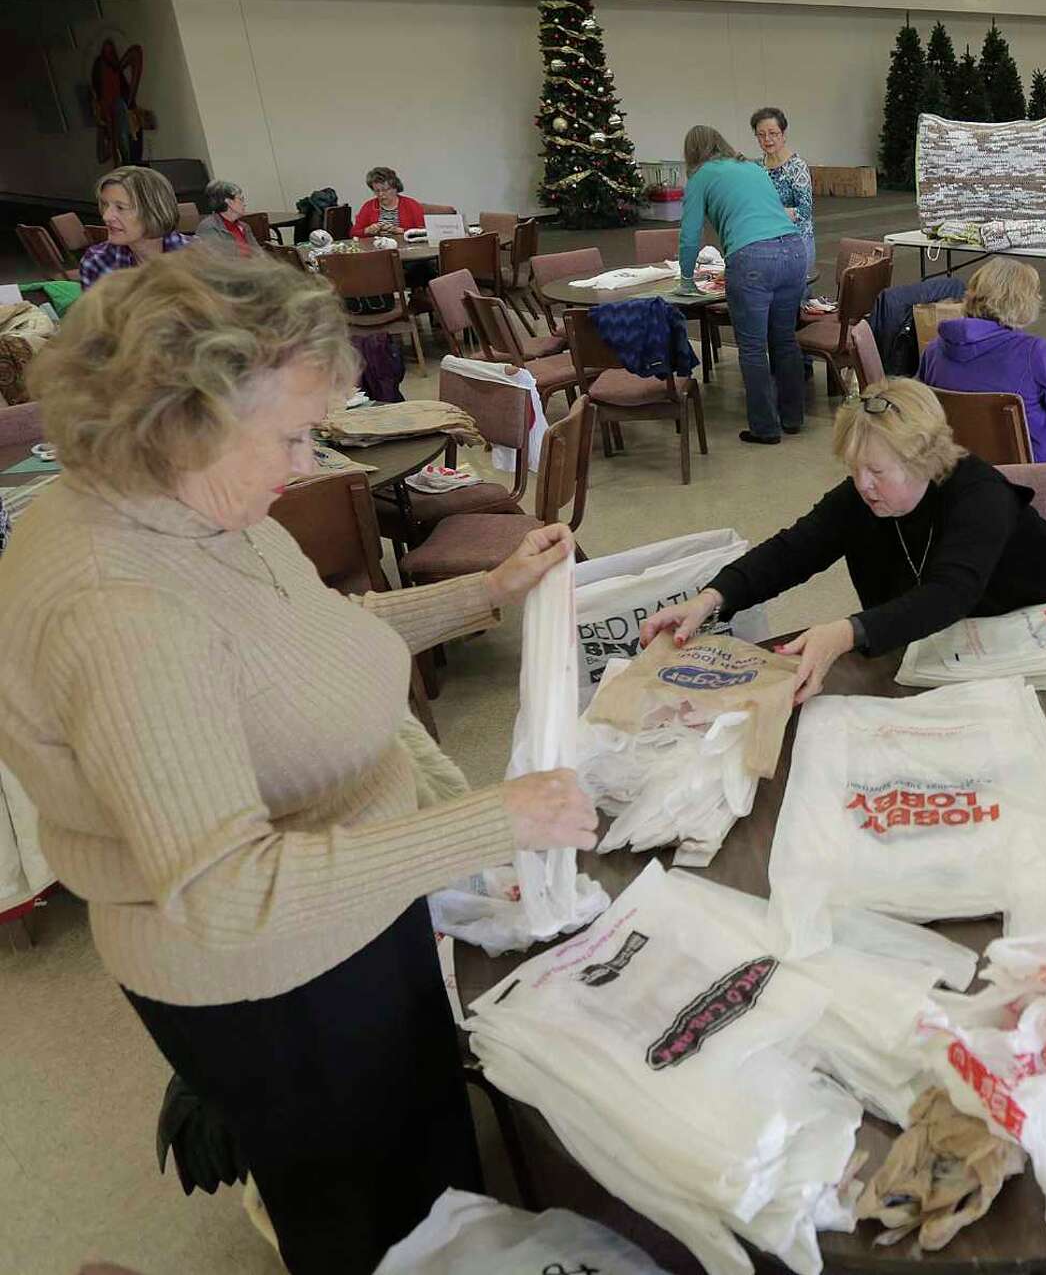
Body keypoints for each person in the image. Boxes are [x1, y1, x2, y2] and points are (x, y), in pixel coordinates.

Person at [0, 250, 598, 1275]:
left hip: (355, 908)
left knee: (427, 1157)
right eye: (285, 436)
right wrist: (492, 818)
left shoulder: (190, 504)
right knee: (365, 1209)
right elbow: (227, 894)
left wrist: (481, 590)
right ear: (178, 420)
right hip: (275, 978)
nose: (300, 459)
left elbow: (303, 639)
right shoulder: (119, 608)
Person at [640, 378, 1046, 701]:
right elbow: (792, 551)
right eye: (854, 469)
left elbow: (950, 593)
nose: (863, 485)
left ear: (923, 459)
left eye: (878, 471)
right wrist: (711, 599)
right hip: (966, 660)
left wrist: (847, 631)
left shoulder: (980, 494)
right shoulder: (863, 500)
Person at [680, 124, 812, 445]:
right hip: (794, 252)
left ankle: (765, 428)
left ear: (693, 153)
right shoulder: (751, 167)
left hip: (752, 258)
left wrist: (686, 279)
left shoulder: (701, 176)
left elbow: (689, 235)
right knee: (784, 339)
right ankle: (793, 418)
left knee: (753, 348)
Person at [920, 258, 1046, 467]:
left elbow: (922, 413)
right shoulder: (1034, 353)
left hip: (962, 468)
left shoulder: (934, 351)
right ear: (1024, 302)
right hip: (1036, 473)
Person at [78, 165, 191, 288]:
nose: (106, 216)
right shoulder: (97, 261)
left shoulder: (200, 258)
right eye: (105, 205)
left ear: (153, 211)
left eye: (120, 208)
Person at [751, 106, 814, 274]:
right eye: (761, 134)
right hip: (766, 242)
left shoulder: (797, 166)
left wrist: (771, 213)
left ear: (784, 135)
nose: (767, 139)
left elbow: (804, 211)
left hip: (796, 243)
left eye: (773, 133)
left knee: (797, 297)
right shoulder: (757, 167)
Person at [350, 166, 426, 237]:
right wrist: (367, 230)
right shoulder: (369, 206)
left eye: (385, 190)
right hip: (378, 249)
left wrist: (400, 230)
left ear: (395, 188)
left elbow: (424, 232)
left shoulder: (411, 205)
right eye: (377, 191)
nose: (381, 194)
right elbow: (353, 233)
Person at [195, 179, 256, 256]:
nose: (244, 204)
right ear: (229, 202)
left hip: (251, 267)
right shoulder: (208, 228)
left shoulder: (244, 227)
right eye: (241, 199)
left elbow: (258, 254)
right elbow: (220, 262)